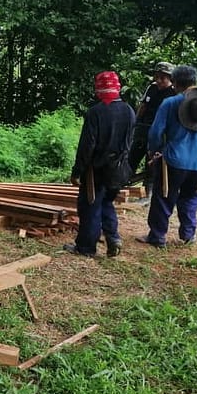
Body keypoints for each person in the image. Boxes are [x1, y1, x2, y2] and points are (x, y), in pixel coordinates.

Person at [136, 65, 197, 248]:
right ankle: (188, 236)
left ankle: (157, 237)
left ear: (175, 83)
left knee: (163, 197)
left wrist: (155, 151)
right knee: (189, 197)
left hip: (173, 160)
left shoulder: (171, 103)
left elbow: (155, 132)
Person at [64, 71, 136, 258]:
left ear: (98, 89)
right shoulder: (129, 110)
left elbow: (87, 146)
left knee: (90, 206)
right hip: (119, 168)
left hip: (96, 169)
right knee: (106, 202)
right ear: (118, 87)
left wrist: (77, 171)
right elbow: (130, 142)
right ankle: (113, 237)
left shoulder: (96, 112)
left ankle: (86, 248)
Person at [127, 61, 176, 200]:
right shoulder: (152, 88)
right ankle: (122, 185)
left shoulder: (173, 93)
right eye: (157, 77)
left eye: (163, 78)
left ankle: (147, 194)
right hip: (143, 129)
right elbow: (143, 106)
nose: (159, 80)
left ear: (170, 78)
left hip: (160, 133)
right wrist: (135, 124)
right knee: (132, 157)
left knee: (152, 164)